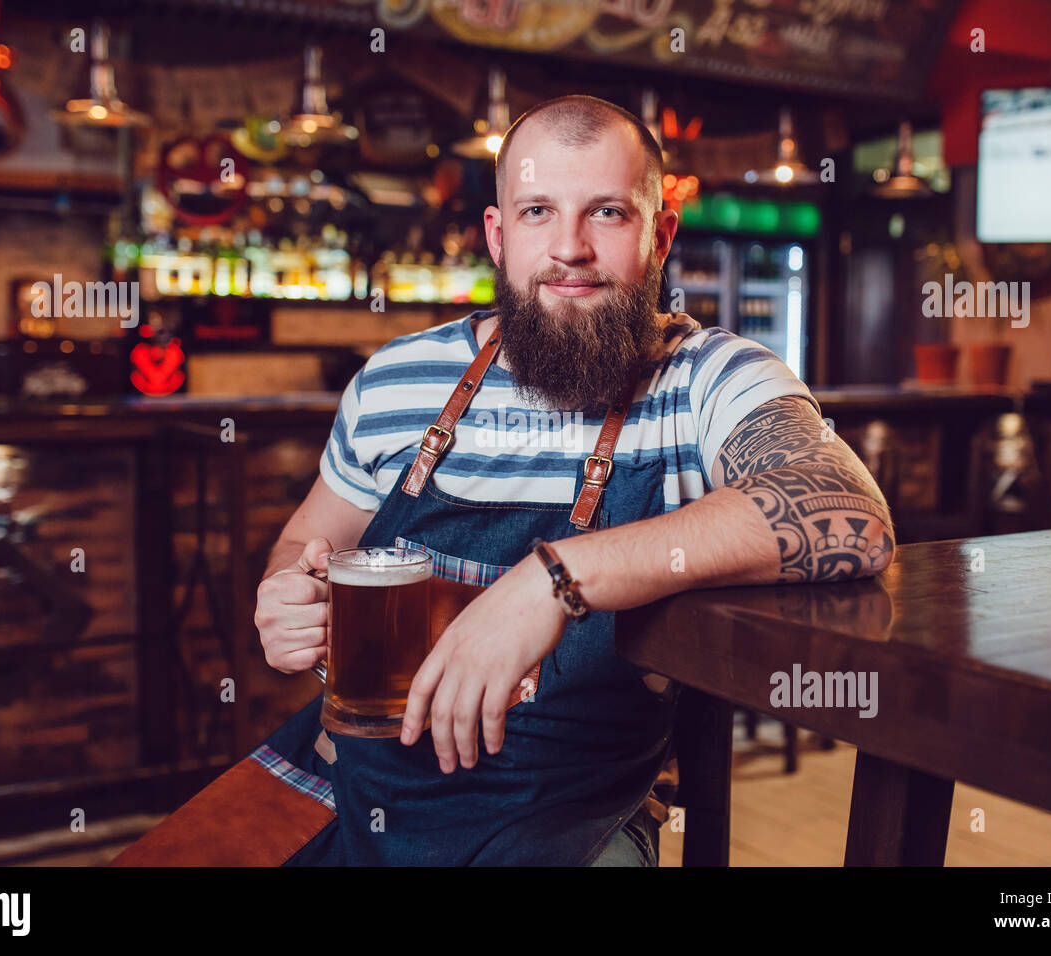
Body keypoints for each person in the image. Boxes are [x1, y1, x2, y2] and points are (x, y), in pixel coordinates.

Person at [253, 94, 894, 866]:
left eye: (607, 214)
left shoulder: (708, 378)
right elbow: (306, 540)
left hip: (568, 812)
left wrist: (550, 582)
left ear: (660, 235)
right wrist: (288, 589)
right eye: (536, 212)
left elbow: (850, 512)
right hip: (353, 788)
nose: (569, 248)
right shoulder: (397, 380)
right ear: (498, 235)